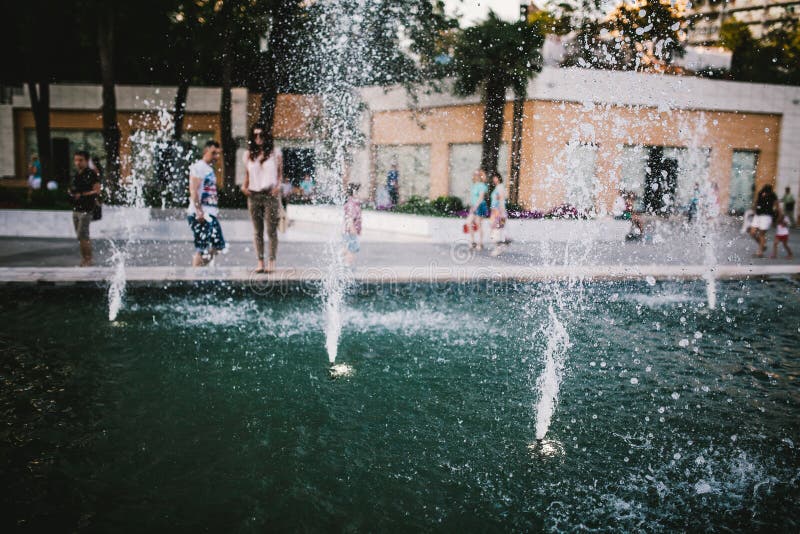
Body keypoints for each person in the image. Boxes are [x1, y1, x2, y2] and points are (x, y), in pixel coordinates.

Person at [241, 125, 282, 273]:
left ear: (266, 136)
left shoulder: (275, 153)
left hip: (270, 195)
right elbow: (248, 174)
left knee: (271, 230)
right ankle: (260, 262)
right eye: (255, 136)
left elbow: (280, 174)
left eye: (261, 135)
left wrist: (278, 187)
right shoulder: (248, 154)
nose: (258, 138)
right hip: (253, 195)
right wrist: (244, 187)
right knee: (257, 231)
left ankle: (272, 261)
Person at [188, 140, 226, 267]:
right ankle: (196, 272)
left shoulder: (209, 169)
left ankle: (198, 269)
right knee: (201, 248)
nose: (216, 156)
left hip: (209, 214)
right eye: (213, 153)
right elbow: (193, 190)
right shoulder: (199, 167)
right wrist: (199, 211)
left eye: (218, 154)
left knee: (219, 245)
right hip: (200, 214)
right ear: (206, 151)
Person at [69, 150, 101, 266]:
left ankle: (88, 260)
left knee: (83, 236)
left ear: (87, 161)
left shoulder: (91, 174)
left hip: (86, 209)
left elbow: (97, 191)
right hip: (76, 209)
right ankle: (85, 259)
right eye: (76, 160)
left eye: (80, 160)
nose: (78, 163)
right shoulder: (76, 174)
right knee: (80, 236)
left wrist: (82, 195)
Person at [749, 184, 778, 258]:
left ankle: (760, 252)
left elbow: (776, 206)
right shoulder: (760, 193)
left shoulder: (773, 195)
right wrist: (754, 209)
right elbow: (756, 202)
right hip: (758, 215)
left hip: (767, 216)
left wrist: (775, 217)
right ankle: (762, 245)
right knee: (752, 233)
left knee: (762, 234)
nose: (765, 192)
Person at [465, 170, 489, 250]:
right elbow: (473, 197)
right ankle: (473, 241)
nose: (476, 176)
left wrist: (476, 206)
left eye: (478, 174)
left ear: (480, 176)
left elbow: (481, 197)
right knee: (469, 222)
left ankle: (480, 243)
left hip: (480, 206)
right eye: (475, 174)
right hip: (474, 206)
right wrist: (472, 206)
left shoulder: (482, 185)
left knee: (478, 224)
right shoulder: (474, 185)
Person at [489, 172, 509, 256]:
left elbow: (501, 198)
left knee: (496, 230)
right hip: (498, 211)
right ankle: (503, 243)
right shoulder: (498, 187)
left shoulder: (500, 187)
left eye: (495, 177)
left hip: (499, 212)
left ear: (499, 178)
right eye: (493, 178)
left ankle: (499, 248)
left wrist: (498, 211)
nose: (494, 179)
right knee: (499, 229)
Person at [343, 183, 362, 266]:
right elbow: (350, 218)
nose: (359, 194)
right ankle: (347, 265)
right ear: (354, 193)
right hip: (351, 231)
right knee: (352, 249)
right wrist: (353, 230)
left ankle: (340, 260)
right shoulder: (352, 204)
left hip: (349, 230)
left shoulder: (353, 203)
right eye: (358, 192)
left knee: (348, 248)